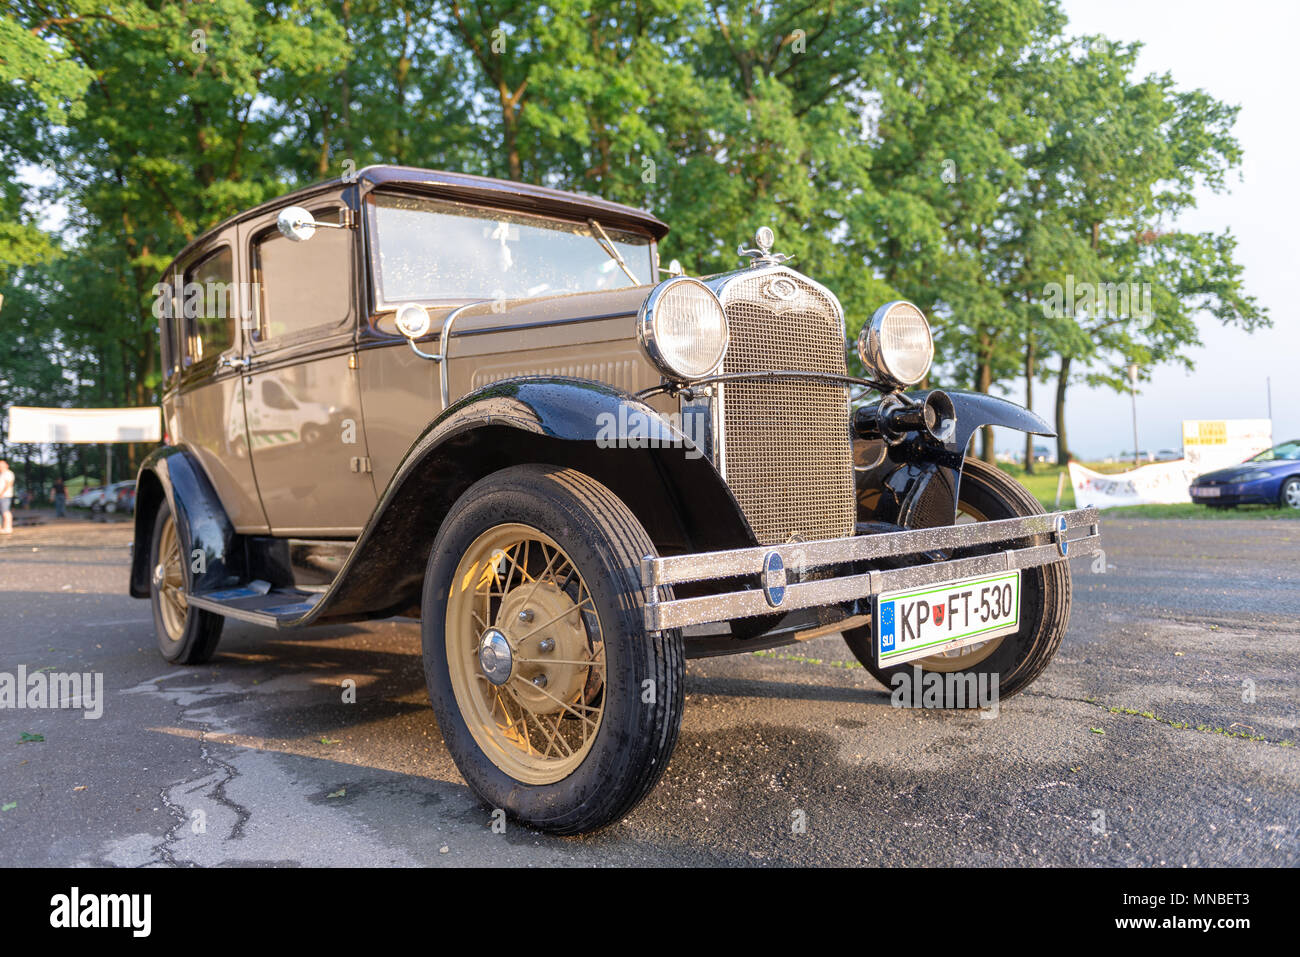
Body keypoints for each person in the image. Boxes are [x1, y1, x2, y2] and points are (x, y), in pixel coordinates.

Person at [0, 460, 13, 534]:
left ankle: (8, 528)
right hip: (2, 496)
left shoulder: (8, 473)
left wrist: (1, 494)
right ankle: (3, 528)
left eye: (1, 464)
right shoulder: (2, 474)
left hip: (5, 496)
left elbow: (8, 484)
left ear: (6, 465)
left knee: (5, 511)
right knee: (2, 512)